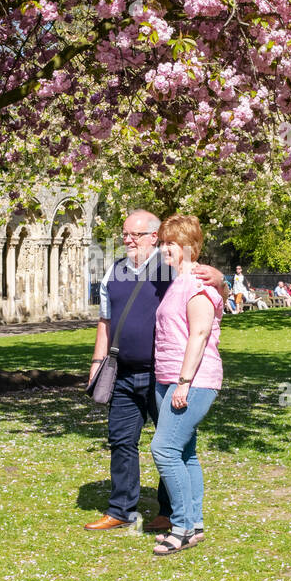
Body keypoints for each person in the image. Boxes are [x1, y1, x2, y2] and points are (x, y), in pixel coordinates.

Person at [85, 210, 223, 533]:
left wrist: (220, 278)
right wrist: (96, 363)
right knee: (121, 440)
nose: (128, 240)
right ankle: (120, 509)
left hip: (161, 374)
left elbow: (208, 291)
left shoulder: (171, 270)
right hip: (122, 371)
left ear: (152, 238)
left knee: (171, 442)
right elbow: (104, 322)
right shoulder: (113, 272)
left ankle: (170, 512)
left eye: (135, 235)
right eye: (124, 234)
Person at [149, 214, 224, 555]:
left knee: (163, 449)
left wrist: (183, 383)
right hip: (168, 379)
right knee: (185, 453)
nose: (166, 249)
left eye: (172, 244)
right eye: (163, 242)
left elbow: (200, 334)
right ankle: (194, 525)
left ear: (190, 248)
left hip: (192, 381)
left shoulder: (198, 286)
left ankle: (180, 525)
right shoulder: (176, 283)